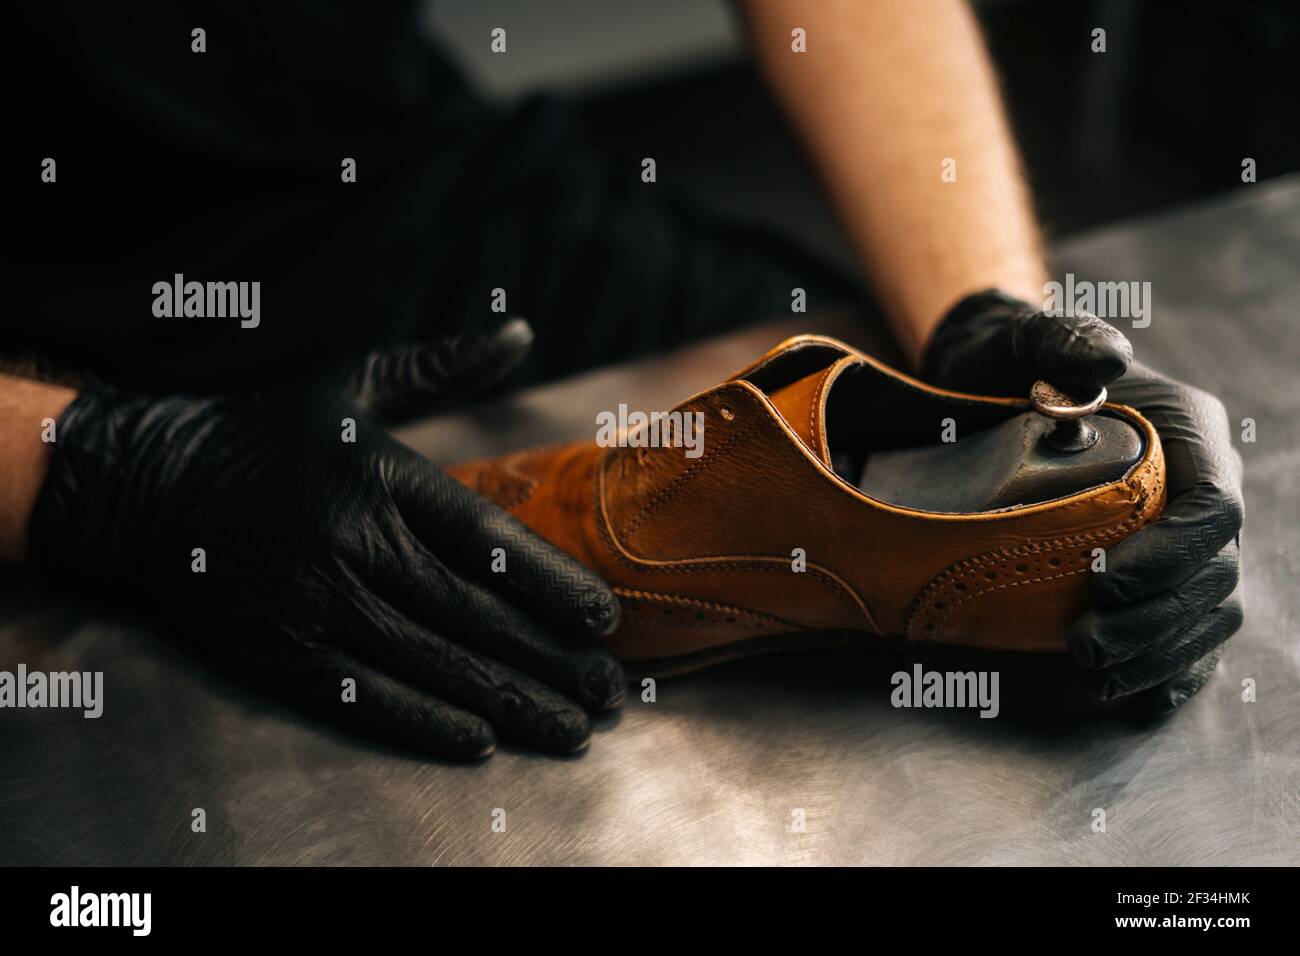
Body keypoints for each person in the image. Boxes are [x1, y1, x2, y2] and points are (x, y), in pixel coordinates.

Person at [1, 0, 1242, 759]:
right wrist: (113, 467)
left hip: (419, 205)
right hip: (54, 347)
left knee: (815, 345)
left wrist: (988, 308)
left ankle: (987, 549)